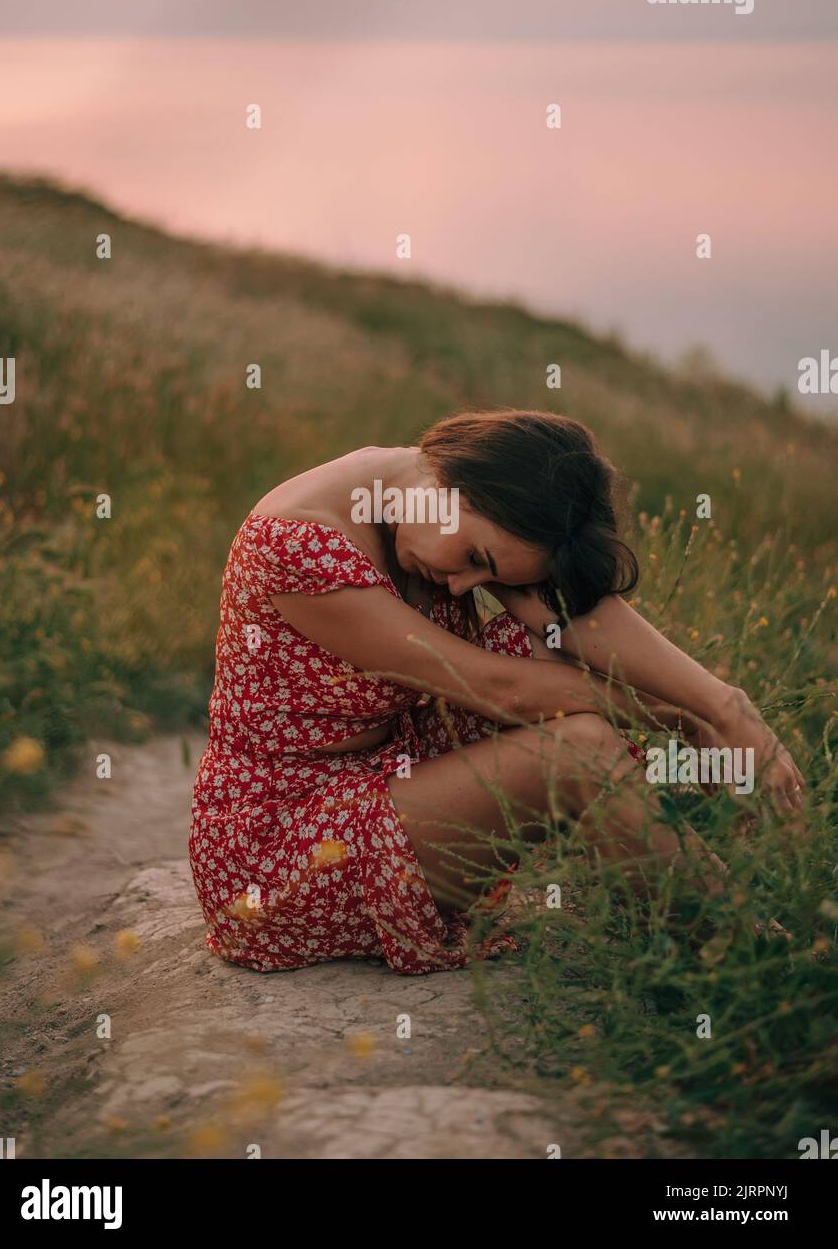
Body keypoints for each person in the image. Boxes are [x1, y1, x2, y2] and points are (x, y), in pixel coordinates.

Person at [188, 409, 804, 976]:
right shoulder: (297, 544)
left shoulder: (431, 498)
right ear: (454, 481)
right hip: (280, 850)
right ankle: (753, 961)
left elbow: (577, 618)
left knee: (542, 639)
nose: (464, 585)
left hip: (388, 782)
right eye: (476, 559)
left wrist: (726, 709)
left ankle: (699, 900)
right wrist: (676, 717)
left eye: (489, 574)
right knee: (577, 750)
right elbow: (494, 688)